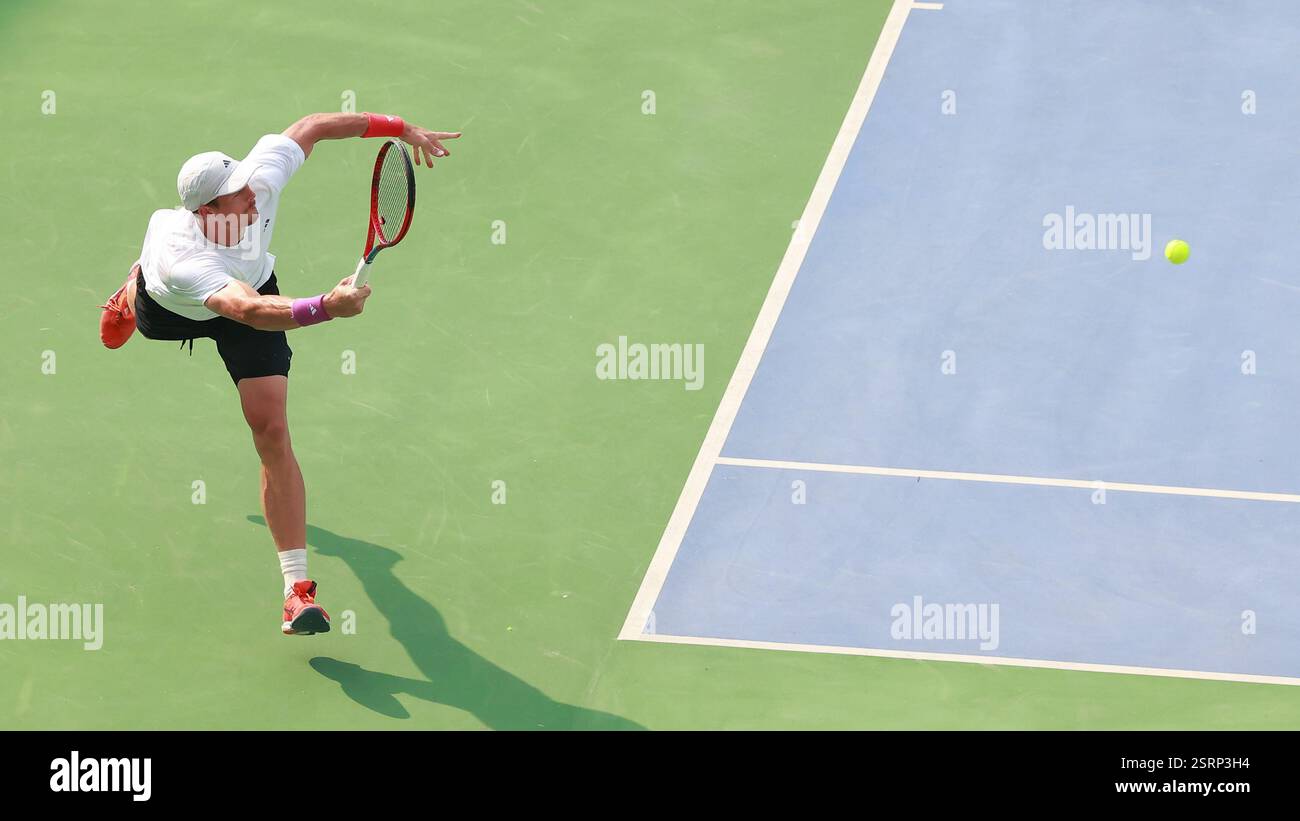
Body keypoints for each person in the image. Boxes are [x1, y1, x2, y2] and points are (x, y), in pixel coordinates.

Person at [98, 112, 461, 635]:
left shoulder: (257, 181)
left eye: (245, 182)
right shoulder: (183, 257)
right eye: (233, 193)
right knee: (148, 304)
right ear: (206, 211)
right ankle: (130, 286)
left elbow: (313, 126)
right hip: (177, 305)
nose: (248, 193)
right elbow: (246, 311)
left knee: (270, 431)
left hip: (253, 290)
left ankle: (297, 591)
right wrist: (325, 308)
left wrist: (400, 129)